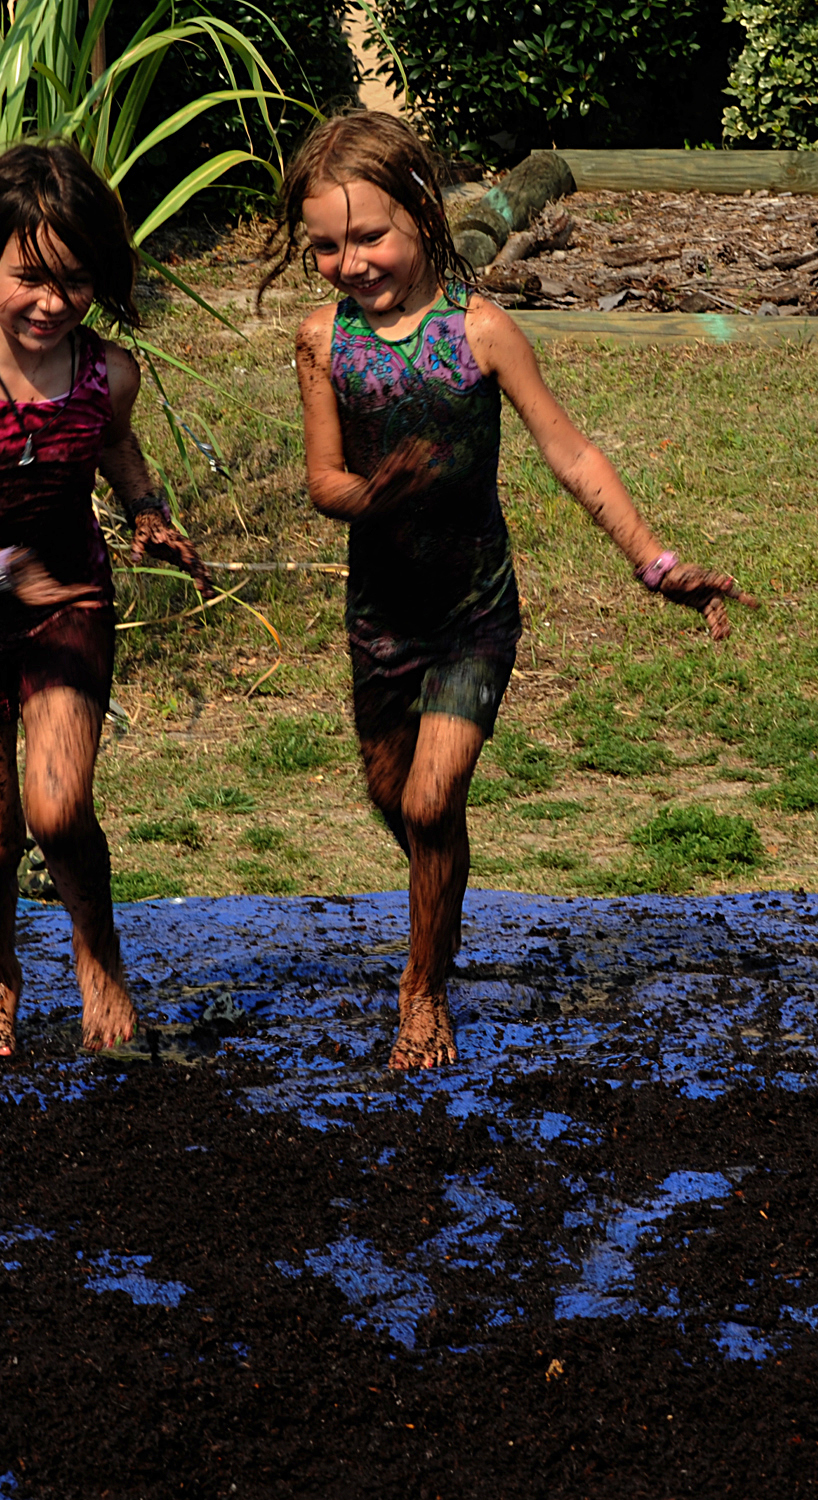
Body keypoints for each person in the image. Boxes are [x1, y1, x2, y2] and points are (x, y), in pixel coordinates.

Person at [261, 112, 756, 1071]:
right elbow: (324, 481)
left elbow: (568, 451)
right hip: (381, 621)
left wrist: (656, 563)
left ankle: (421, 994)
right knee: (399, 802)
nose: (349, 261)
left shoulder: (480, 330)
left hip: (471, 616)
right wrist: (375, 489)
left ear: (421, 214)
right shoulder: (321, 341)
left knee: (433, 797)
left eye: (369, 235)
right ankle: (438, 900)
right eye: (325, 245)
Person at [0, 139, 212, 1057]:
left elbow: (114, 451)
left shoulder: (107, 373)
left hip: (68, 603)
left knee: (60, 811)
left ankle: (98, 960)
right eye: (29, 277)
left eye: (74, 282)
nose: (50, 302)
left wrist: (148, 512)